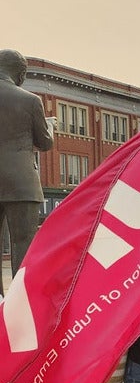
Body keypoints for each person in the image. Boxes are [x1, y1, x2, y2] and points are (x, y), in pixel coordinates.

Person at [0, 49, 54, 293]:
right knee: (23, 244)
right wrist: (50, 126)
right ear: (21, 73)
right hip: (22, 182)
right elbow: (44, 143)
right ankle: (18, 304)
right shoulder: (30, 100)